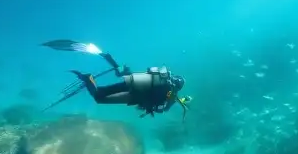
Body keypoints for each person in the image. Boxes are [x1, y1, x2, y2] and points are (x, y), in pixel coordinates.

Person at [42, 39, 191, 120]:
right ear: (179, 87)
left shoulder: (162, 79)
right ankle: (88, 78)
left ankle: (114, 64)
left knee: (104, 90)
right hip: (134, 95)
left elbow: (146, 75)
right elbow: (161, 110)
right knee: (99, 98)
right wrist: (177, 101)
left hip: (133, 81)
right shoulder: (172, 94)